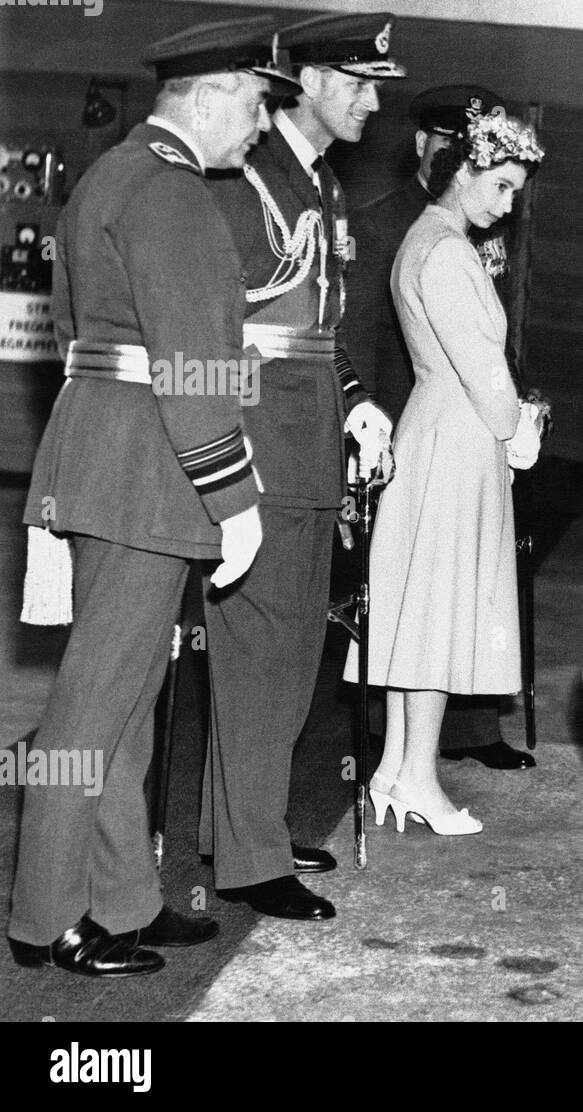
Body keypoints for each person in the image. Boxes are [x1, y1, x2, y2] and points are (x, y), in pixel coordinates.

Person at [7, 17, 297, 977]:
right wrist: (238, 497)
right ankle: (48, 920)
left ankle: (124, 898)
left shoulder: (109, 177)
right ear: (210, 94)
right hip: (152, 478)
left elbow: (87, 342)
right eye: (258, 103)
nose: (260, 126)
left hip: (105, 460)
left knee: (127, 703)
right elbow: (191, 363)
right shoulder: (174, 199)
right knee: (90, 712)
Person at [201, 12, 403, 921]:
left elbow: (316, 322)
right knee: (261, 650)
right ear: (309, 80)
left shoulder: (315, 180)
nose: (370, 103)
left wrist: (354, 395)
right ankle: (248, 860)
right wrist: (232, 448)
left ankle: (243, 825)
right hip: (264, 442)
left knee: (288, 651)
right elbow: (215, 325)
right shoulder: (247, 173)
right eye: (358, 83)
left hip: (311, 432)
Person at [349, 111, 546, 835]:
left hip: (434, 430)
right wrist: (518, 427)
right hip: (458, 436)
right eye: (499, 186)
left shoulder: (427, 239)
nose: (507, 205)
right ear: (461, 170)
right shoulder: (447, 252)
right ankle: (421, 781)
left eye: (516, 191)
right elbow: (481, 367)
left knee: (415, 609)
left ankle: (396, 770)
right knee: (438, 614)